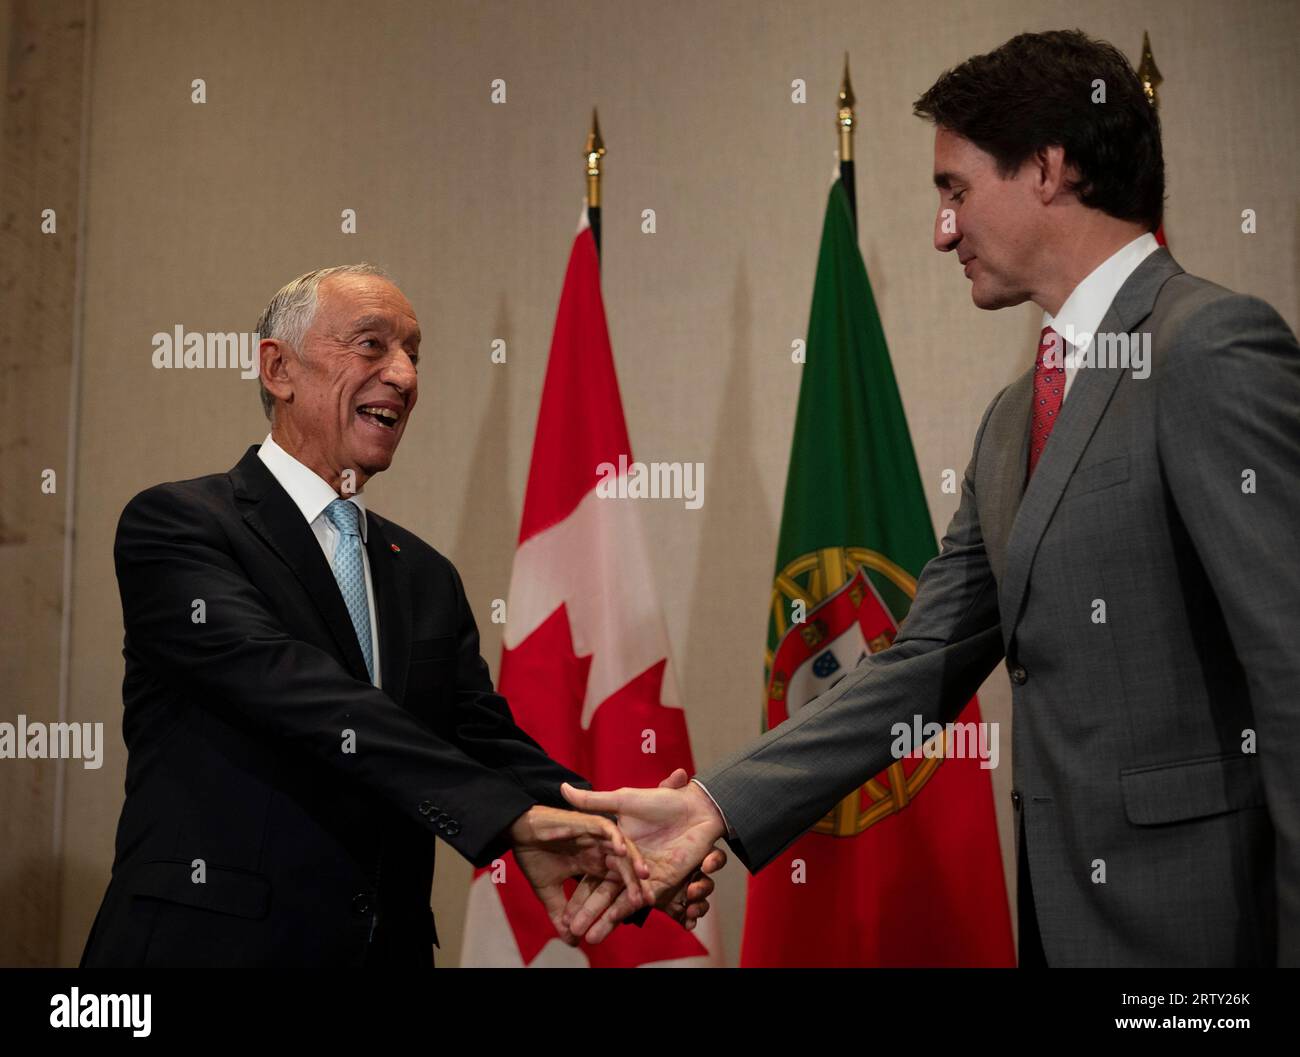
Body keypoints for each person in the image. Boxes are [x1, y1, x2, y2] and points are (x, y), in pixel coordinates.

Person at [560, 30, 1300, 968]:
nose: (940, 228)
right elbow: (917, 662)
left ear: (1048, 168)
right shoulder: (1010, 422)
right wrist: (712, 805)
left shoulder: (1209, 345)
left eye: (954, 189)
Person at [80, 264, 719, 967]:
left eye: (414, 353)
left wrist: (614, 831)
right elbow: (296, 689)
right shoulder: (179, 526)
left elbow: (483, 740)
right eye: (372, 345)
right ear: (278, 367)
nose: (405, 376)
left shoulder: (423, 574)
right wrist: (510, 818)